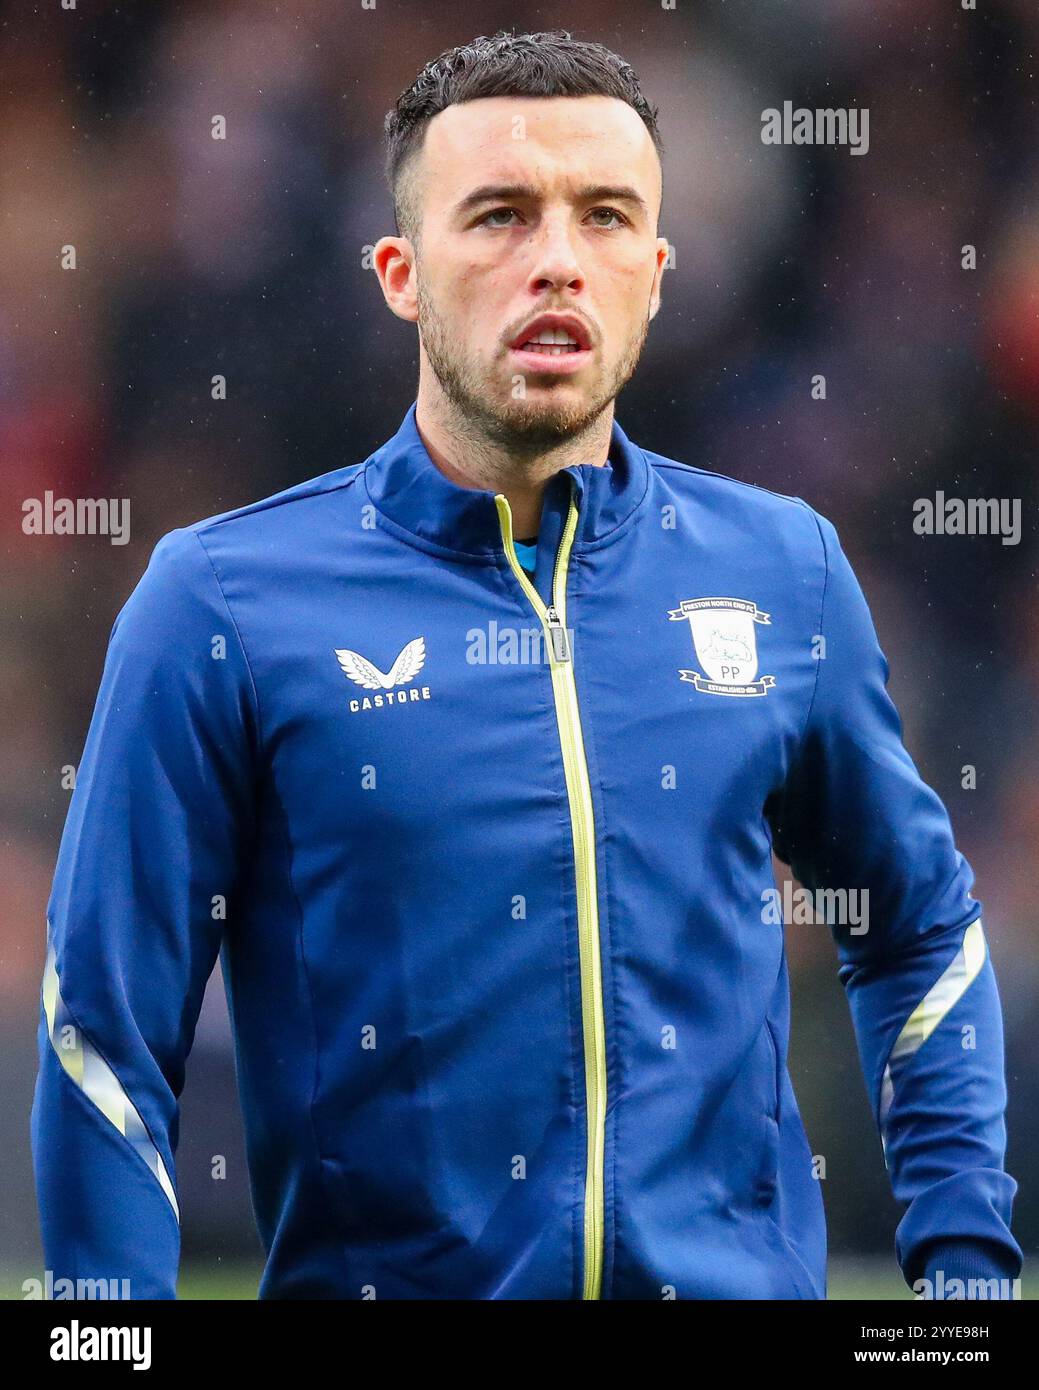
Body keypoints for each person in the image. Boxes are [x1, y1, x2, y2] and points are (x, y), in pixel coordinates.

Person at [32, 29, 1020, 1300]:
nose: (556, 260)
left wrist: (967, 1278)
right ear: (399, 272)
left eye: (605, 217)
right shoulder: (218, 600)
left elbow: (918, 927)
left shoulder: (786, 572)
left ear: (657, 270)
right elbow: (104, 1024)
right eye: (497, 216)